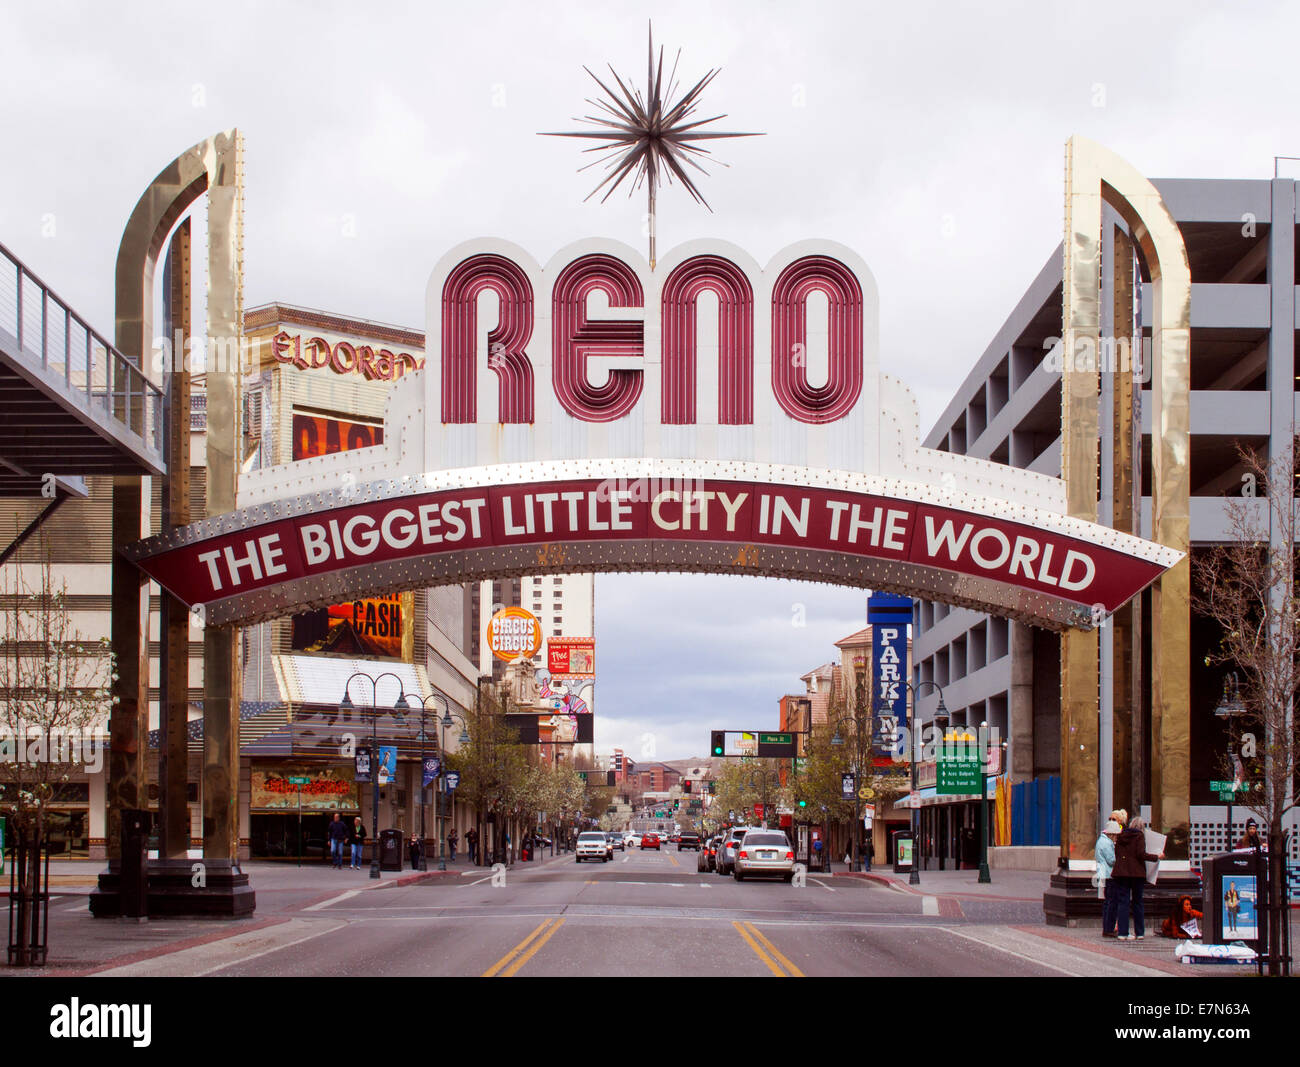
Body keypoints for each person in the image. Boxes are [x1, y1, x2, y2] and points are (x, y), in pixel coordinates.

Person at [1113, 815, 1163, 941]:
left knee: (1123, 903)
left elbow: (1117, 854)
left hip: (1121, 873)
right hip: (1137, 873)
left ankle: (1122, 933)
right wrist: (1157, 856)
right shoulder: (1139, 836)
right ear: (1141, 827)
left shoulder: (1120, 836)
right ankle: (1139, 932)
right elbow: (1141, 854)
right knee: (1137, 903)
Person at [1095, 819, 1123, 938]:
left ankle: (1107, 928)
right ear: (1111, 834)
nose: (1116, 838)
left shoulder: (1101, 841)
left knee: (1108, 902)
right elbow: (1112, 860)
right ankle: (1109, 928)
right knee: (1112, 903)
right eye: (1116, 835)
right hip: (1109, 875)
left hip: (1103, 874)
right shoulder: (1107, 843)